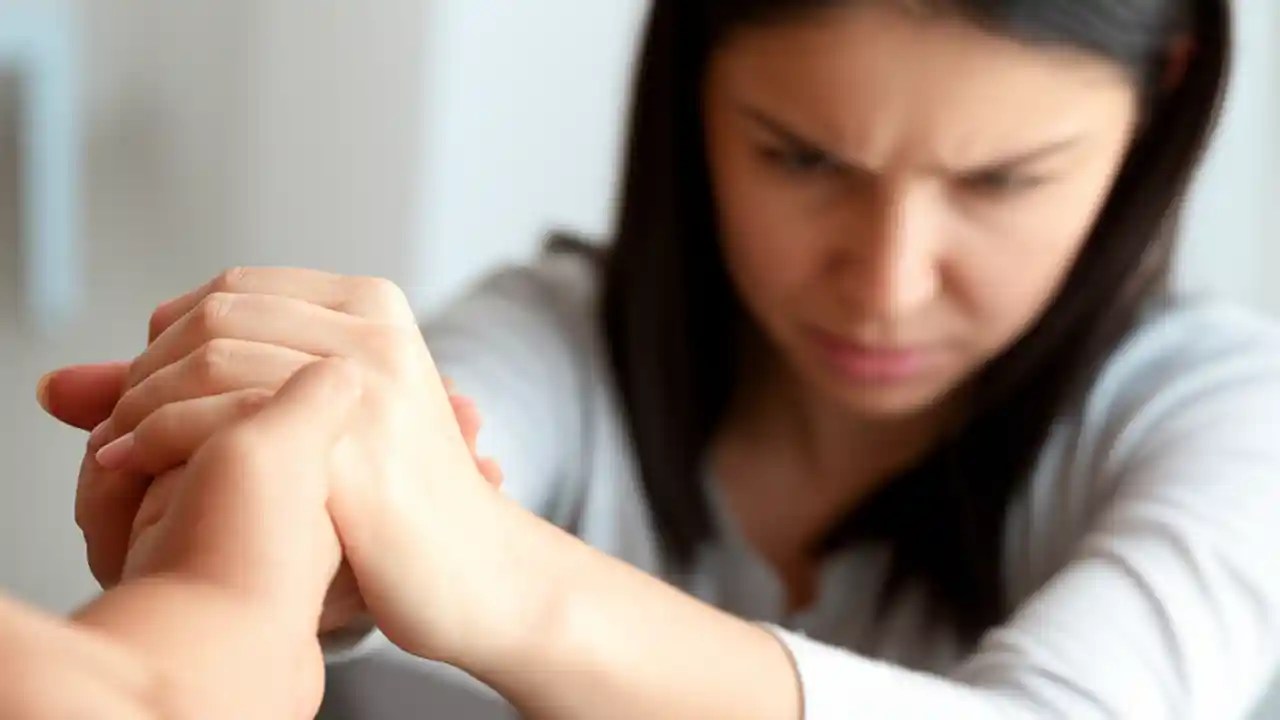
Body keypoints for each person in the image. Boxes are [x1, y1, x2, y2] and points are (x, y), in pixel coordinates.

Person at [38, 0, 1280, 717]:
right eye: (802, 159)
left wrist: (501, 583)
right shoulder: (562, 338)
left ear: (1158, 104)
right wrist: (262, 522)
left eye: (999, 181)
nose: (889, 282)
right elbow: (366, 474)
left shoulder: (1226, 418)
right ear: (693, 92)